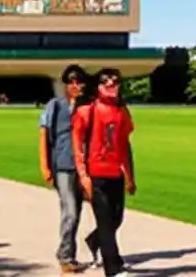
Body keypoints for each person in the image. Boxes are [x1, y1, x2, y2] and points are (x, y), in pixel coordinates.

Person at [72, 68, 136, 277]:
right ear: (97, 87)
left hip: (115, 173)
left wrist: (129, 176)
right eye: (105, 82)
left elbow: (124, 144)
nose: (111, 85)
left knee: (116, 218)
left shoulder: (121, 112)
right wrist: (83, 175)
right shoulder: (87, 111)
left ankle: (94, 241)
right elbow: (78, 145)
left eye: (115, 82)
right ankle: (113, 270)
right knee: (105, 222)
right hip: (95, 173)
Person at [40, 64, 92, 274]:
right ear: (64, 84)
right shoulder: (55, 106)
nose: (75, 85)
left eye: (79, 81)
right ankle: (65, 256)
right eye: (71, 81)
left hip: (86, 168)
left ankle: (89, 244)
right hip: (63, 166)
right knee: (70, 212)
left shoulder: (89, 106)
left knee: (88, 212)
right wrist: (45, 166)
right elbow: (44, 135)